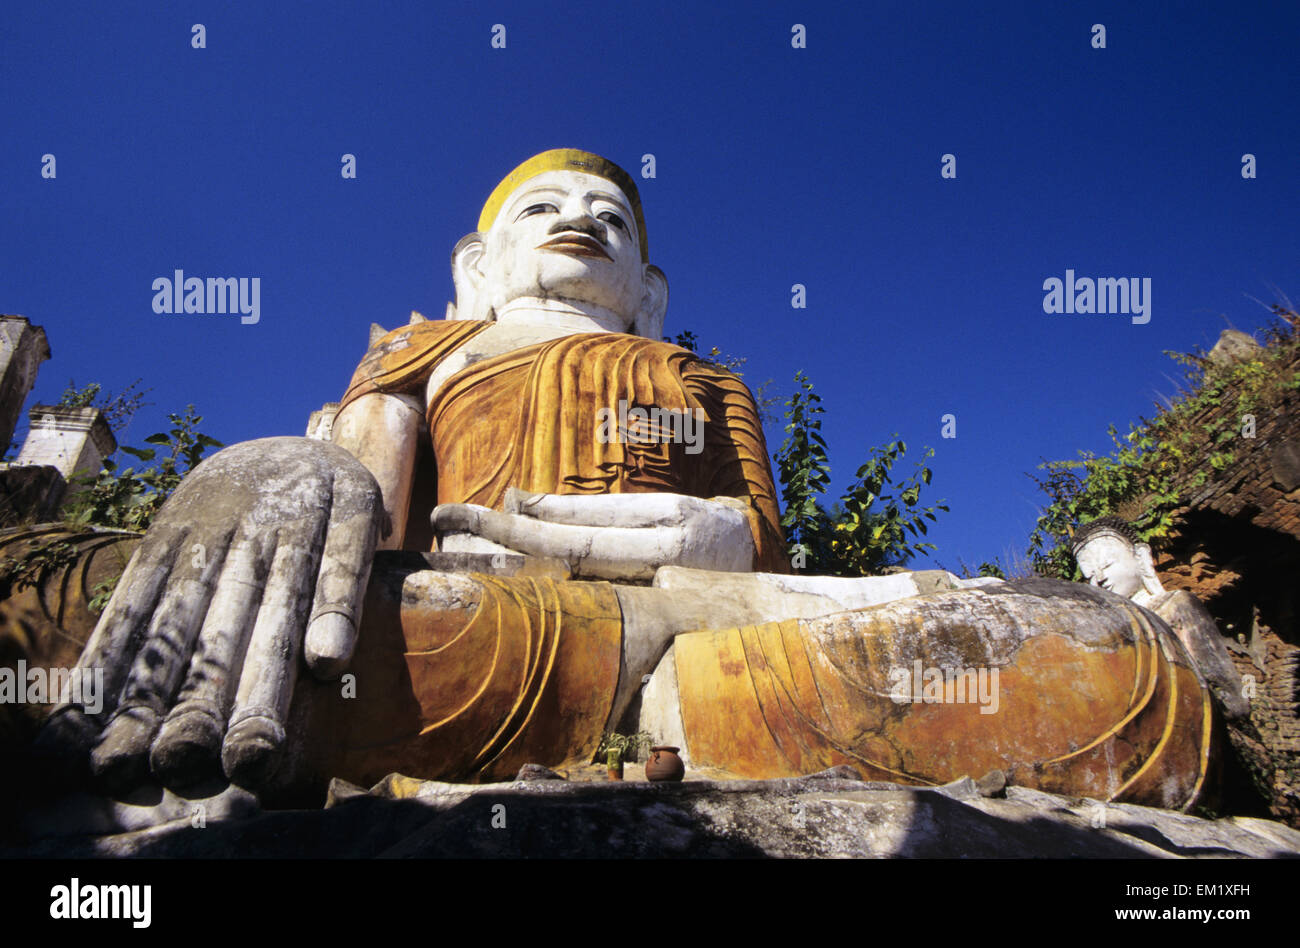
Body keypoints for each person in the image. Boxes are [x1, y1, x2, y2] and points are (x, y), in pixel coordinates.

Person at [37, 151, 1215, 812]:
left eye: (611, 216)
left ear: (651, 287)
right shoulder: (423, 357)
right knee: (63, 602)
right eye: (542, 210)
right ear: (476, 265)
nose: (579, 222)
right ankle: (702, 719)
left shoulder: (702, 377)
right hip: (466, 615)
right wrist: (268, 469)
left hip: (701, 622)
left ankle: (697, 710)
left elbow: (763, 547)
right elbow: (352, 533)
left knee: (1114, 661)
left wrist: (702, 537)